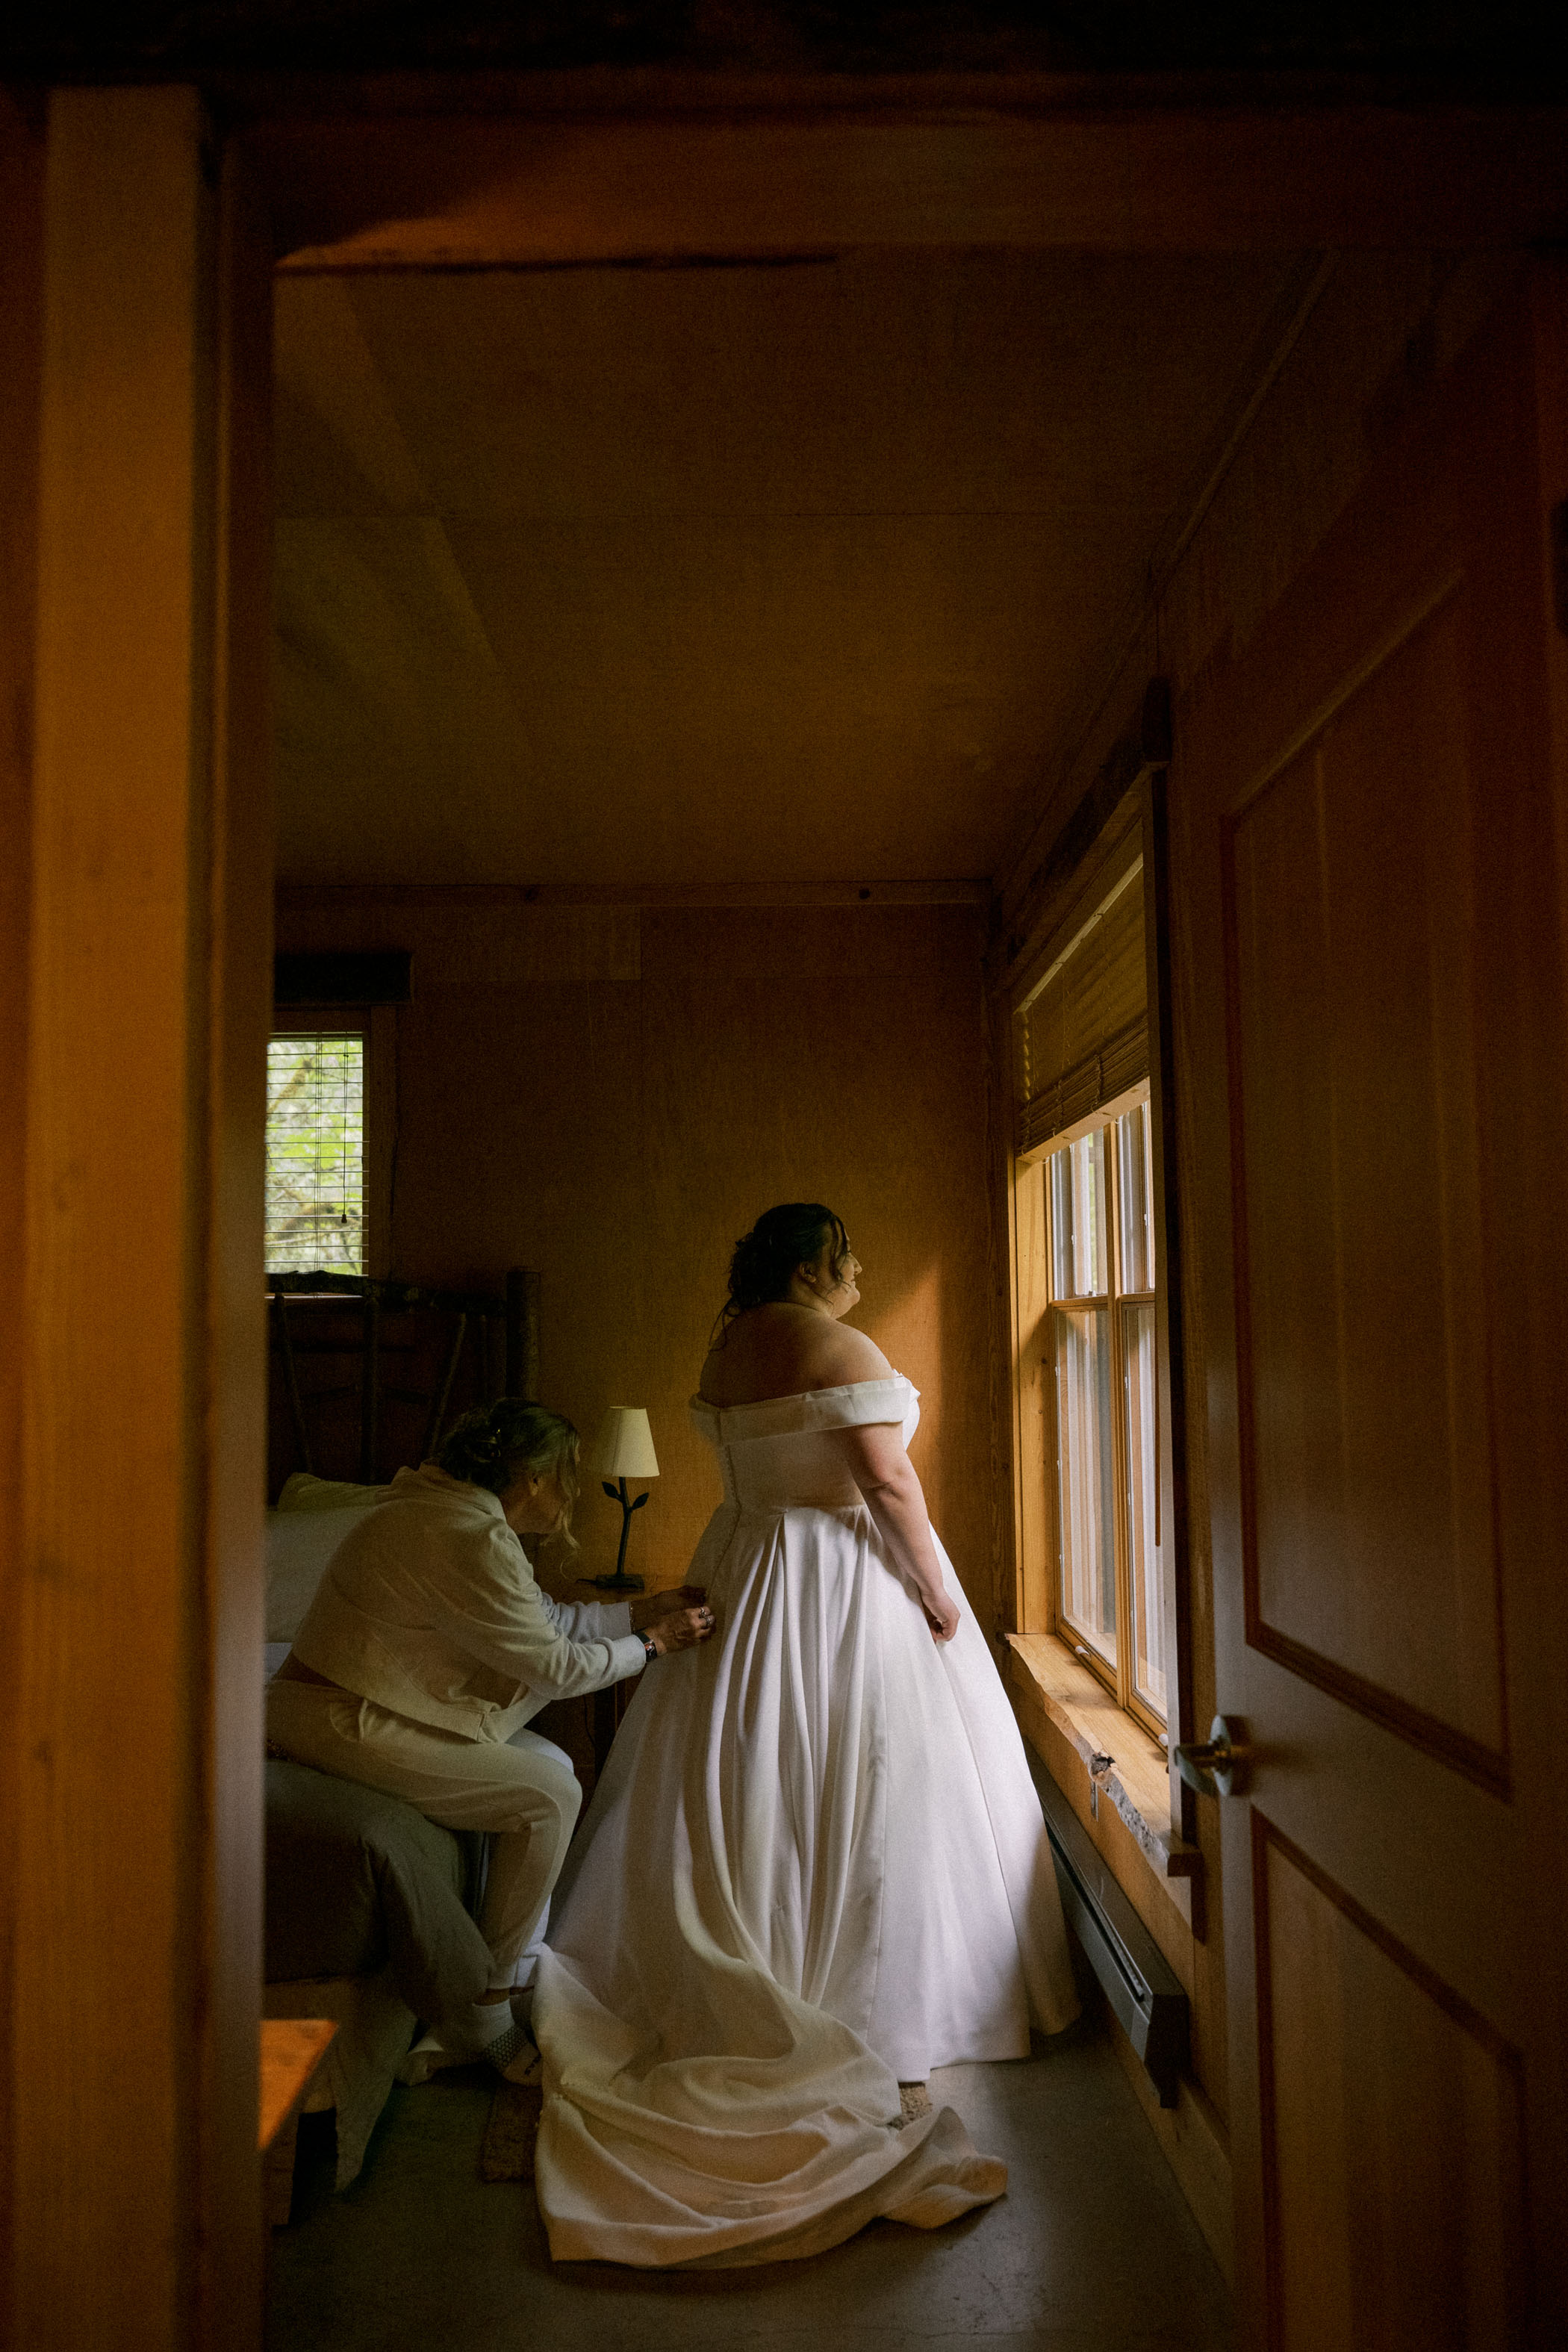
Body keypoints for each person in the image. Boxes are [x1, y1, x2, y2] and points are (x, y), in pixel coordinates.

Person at [532, 1204, 1080, 2266]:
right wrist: (938, 1592)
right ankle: (863, 1992)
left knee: (737, 1768)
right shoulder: (838, 1346)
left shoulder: (729, 1344)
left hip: (743, 1562)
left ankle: (745, 1947)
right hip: (832, 1581)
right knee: (853, 1775)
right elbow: (886, 1481)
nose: (862, 1270)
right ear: (810, 1262)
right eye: (847, 1254)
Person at [265, 1399, 713, 2075]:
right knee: (549, 1796)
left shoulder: (447, 1514)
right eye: (565, 1476)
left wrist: (637, 1612)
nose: (569, 1497)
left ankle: (511, 1970)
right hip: (332, 1715)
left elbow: (547, 1620)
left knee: (550, 1762)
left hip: (355, 1700)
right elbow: (557, 1667)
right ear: (532, 1477)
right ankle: (486, 2006)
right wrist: (654, 1644)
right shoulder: (462, 1535)